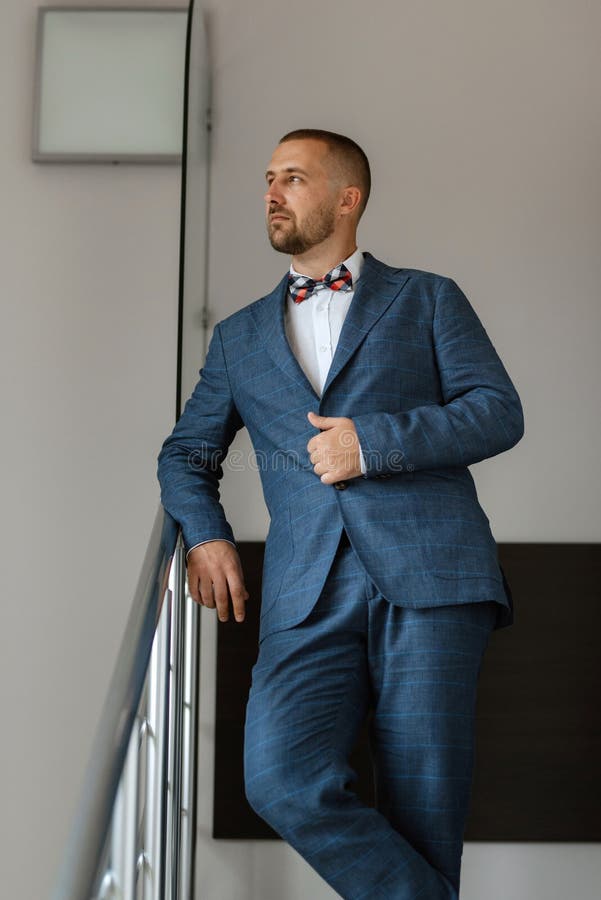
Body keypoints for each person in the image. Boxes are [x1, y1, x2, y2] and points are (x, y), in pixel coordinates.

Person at [157, 128, 524, 899]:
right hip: (303, 591)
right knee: (280, 778)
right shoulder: (236, 338)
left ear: (346, 198)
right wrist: (208, 535)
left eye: (293, 177)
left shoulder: (427, 296)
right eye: (267, 178)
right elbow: (187, 453)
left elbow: (496, 412)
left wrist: (374, 444)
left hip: (431, 575)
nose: (271, 191)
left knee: (425, 811)